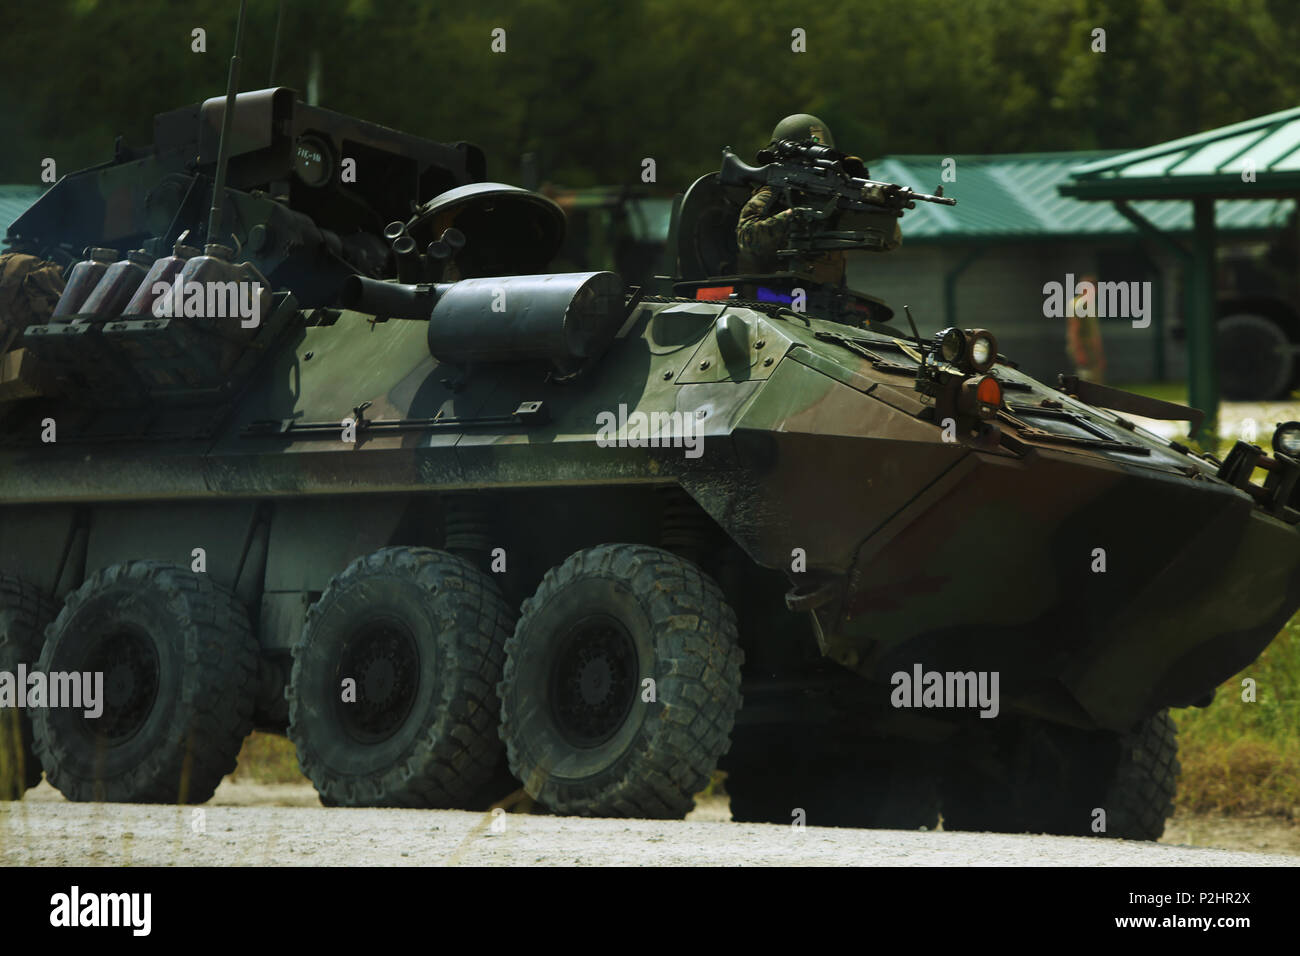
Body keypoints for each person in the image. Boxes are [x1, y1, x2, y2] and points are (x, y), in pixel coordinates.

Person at [735, 113, 900, 283]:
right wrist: (794, 216)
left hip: (824, 299)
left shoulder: (833, 200)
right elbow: (747, 239)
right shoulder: (771, 194)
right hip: (773, 296)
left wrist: (862, 193)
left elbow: (890, 240)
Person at [1067, 273, 1107, 383]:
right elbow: (1074, 329)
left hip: (1092, 349)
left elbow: (1094, 331)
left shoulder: (1090, 304)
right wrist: (1080, 352)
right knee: (1087, 380)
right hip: (1084, 348)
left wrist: (1099, 353)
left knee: (1097, 380)